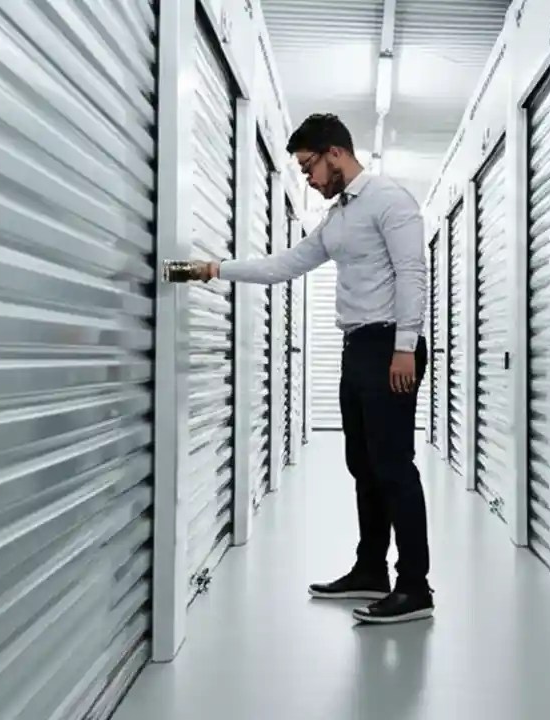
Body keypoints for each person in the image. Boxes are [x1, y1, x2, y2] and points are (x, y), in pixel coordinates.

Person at [190, 113, 433, 625]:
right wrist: (217, 270)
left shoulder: (391, 200)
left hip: (392, 343)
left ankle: (415, 586)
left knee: (394, 468)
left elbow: (413, 272)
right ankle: (371, 569)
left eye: (309, 167)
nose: (309, 178)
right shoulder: (339, 217)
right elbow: (287, 264)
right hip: (358, 346)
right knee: (362, 466)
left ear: (335, 153)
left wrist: (405, 347)